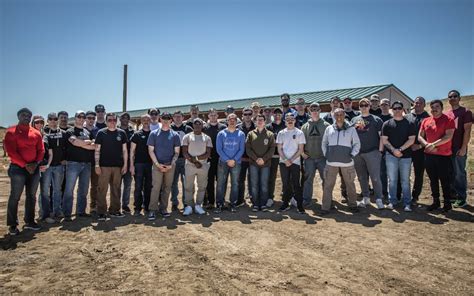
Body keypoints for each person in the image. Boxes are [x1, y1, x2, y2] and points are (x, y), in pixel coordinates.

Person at [4, 108, 45, 235]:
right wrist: (25, 165)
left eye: (28, 115)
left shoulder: (36, 133)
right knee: (15, 196)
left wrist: (36, 163)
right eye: (23, 115)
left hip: (34, 168)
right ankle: (12, 225)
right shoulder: (11, 132)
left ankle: (30, 221)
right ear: (18, 116)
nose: (26, 117)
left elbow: (41, 150)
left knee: (31, 196)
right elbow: (11, 152)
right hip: (18, 169)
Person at [320, 108, 360, 215]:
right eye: (336, 114)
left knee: (350, 184)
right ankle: (325, 207)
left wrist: (351, 155)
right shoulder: (329, 129)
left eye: (341, 114)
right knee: (328, 185)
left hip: (347, 163)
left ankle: (353, 205)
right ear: (333, 116)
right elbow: (324, 143)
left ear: (344, 115)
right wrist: (326, 154)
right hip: (331, 163)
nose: (339, 116)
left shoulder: (351, 129)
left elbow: (357, 144)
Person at [418, 100, 455, 212]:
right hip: (429, 155)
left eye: (437, 106)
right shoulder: (426, 120)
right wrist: (427, 145)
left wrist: (433, 144)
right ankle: (436, 202)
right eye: (432, 107)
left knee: (445, 180)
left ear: (442, 107)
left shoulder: (449, 120)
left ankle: (447, 204)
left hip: (443, 155)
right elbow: (420, 136)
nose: (434, 109)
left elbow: (448, 136)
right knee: (432, 179)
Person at [381, 101, 416, 212]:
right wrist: (393, 150)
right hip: (391, 156)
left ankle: (407, 203)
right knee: (392, 180)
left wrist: (400, 150)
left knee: (405, 180)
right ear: (392, 109)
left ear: (403, 109)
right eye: (395, 108)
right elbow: (384, 140)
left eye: (399, 108)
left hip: (406, 156)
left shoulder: (410, 123)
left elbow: (412, 140)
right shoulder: (387, 124)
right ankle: (392, 201)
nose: (397, 110)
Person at [351, 98, 385, 209]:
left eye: (366, 105)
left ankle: (378, 199)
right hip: (358, 154)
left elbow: (382, 137)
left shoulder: (377, 120)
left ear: (370, 106)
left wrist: (380, 151)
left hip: (372, 152)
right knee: (362, 177)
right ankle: (366, 198)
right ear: (359, 107)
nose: (364, 107)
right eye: (361, 105)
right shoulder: (354, 120)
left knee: (375, 177)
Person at [94, 113, 128, 220]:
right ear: (106, 121)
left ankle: (115, 210)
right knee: (102, 189)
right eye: (109, 120)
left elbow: (125, 150)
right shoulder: (101, 133)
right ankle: (101, 212)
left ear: (117, 121)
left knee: (116, 188)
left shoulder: (122, 133)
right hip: (104, 166)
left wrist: (125, 165)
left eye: (114, 119)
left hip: (118, 166)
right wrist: (97, 165)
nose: (112, 121)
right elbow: (97, 150)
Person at [147, 112, 181, 220]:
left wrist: (171, 164)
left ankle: (163, 209)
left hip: (170, 166)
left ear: (171, 120)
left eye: (168, 118)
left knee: (167, 188)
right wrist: (157, 164)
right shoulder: (153, 134)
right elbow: (151, 151)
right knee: (156, 188)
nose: (166, 120)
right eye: (164, 118)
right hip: (157, 165)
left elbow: (176, 152)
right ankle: (152, 210)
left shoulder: (175, 135)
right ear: (160, 119)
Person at [63, 111, 96, 221]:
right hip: (73, 164)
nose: (81, 118)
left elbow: (93, 147)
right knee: (69, 189)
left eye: (83, 117)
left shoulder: (87, 131)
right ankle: (67, 213)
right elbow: (75, 142)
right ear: (75, 118)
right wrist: (86, 143)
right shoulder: (69, 131)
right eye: (79, 116)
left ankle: (81, 211)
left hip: (86, 164)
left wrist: (82, 143)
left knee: (83, 189)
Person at [214, 113, 245, 213]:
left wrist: (234, 160)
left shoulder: (241, 134)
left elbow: (241, 149)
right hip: (223, 162)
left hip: (236, 162)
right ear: (227, 121)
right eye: (230, 119)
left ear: (237, 121)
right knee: (221, 183)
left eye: (234, 119)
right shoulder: (221, 134)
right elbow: (219, 149)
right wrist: (227, 160)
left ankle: (233, 204)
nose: (232, 121)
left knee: (235, 184)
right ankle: (219, 204)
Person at [446, 90, 472, 208]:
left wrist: (463, 147)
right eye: (450, 97)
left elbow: (467, 130)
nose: (453, 98)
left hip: (458, 147)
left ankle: (461, 198)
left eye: (455, 96)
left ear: (459, 98)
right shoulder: (447, 114)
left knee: (459, 173)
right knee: (450, 173)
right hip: (447, 148)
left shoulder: (465, 112)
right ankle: (452, 196)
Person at [181, 118, 213, 216]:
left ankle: (199, 205)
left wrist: (197, 159)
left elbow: (208, 153)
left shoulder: (207, 138)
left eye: (199, 124)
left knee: (202, 186)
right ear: (193, 125)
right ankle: (189, 206)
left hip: (203, 165)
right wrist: (194, 162)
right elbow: (185, 152)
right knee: (188, 187)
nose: (197, 125)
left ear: (202, 126)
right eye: (195, 124)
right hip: (190, 165)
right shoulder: (187, 137)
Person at [276, 112, 306, 214]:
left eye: (291, 119)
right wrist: (285, 160)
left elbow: (301, 149)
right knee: (285, 184)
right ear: (285, 121)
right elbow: (279, 149)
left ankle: (299, 205)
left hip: (295, 162)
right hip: (283, 162)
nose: (290, 121)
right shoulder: (281, 133)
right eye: (287, 119)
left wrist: (291, 160)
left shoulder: (299, 133)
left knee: (296, 184)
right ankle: (285, 203)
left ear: (295, 121)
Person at [301, 103, 329, 207]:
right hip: (309, 158)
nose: (314, 111)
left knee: (326, 180)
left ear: (320, 110)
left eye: (316, 109)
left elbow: (329, 142)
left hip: (322, 158)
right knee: (308, 180)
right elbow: (301, 142)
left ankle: (327, 200)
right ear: (309, 111)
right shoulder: (305, 126)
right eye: (312, 109)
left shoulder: (326, 125)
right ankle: (307, 200)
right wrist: (302, 153)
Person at [40, 112, 67, 223]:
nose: (53, 121)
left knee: (57, 190)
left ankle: (57, 211)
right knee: (45, 191)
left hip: (59, 166)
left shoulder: (63, 133)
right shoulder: (43, 133)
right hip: (46, 167)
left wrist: (65, 158)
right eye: (50, 119)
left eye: (55, 119)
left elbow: (67, 147)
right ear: (48, 120)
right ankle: (45, 213)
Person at [246, 114, 275, 211]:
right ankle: (255, 204)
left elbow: (272, 149)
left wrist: (264, 159)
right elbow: (248, 148)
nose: (260, 121)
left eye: (261, 120)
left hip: (266, 164)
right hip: (253, 164)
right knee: (254, 184)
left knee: (264, 184)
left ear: (265, 121)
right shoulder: (251, 134)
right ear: (255, 122)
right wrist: (256, 159)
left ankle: (263, 204)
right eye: (258, 120)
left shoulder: (270, 134)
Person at [405, 97, 429, 203]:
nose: (418, 104)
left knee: (419, 174)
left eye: (420, 103)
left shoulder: (428, 118)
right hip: (407, 149)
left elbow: (430, 136)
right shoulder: (406, 117)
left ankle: (415, 196)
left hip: (420, 150)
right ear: (413, 104)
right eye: (416, 102)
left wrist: (419, 146)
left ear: (424, 104)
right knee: (404, 173)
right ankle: (403, 194)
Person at [202, 108, 226, 209]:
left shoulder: (223, 127)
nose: (213, 117)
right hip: (209, 158)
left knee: (221, 181)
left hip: (221, 158)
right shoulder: (204, 128)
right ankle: (211, 202)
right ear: (208, 116)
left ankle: (221, 201)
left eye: (215, 115)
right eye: (211, 115)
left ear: (217, 116)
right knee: (210, 181)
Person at [130, 114, 153, 216]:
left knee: (148, 187)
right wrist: (131, 165)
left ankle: (147, 207)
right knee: (138, 186)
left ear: (150, 121)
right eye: (144, 119)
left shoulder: (154, 134)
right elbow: (132, 151)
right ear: (141, 121)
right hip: (138, 164)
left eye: (148, 119)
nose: (146, 121)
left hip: (150, 164)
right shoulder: (136, 134)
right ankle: (137, 207)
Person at [170, 110, 193, 211]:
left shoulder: (188, 129)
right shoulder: (170, 128)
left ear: (183, 118)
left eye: (179, 116)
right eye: (175, 116)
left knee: (186, 182)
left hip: (185, 159)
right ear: (173, 118)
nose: (178, 118)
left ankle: (186, 202)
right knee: (173, 182)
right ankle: (174, 203)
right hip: (173, 159)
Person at [265, 107, 285, 207]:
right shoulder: (268, 126)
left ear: (282, 115)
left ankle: (287, 197)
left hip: (285, 156)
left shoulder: (286, 125)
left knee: (286, 177)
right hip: (272, 156)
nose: (277, 116)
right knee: (271, 178)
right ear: (273, 115)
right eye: (276, 114)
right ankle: (269, 197)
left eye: (279, 114)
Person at [236, 107, 256, 207]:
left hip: (253, 159)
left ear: (252, 115)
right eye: (245, 114)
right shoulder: (237, 128)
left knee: (252, 180)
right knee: (240, 180)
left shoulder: (256, 127)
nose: (247, 116)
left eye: (249, 114)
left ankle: (252, 198)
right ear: (242, 116)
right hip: (241, 159)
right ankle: (240, 199)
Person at [84, 110, 100, 214]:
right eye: (89, 118)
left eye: (93, 118)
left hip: (95, 162)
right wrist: (91, 143)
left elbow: (98, 146)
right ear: (86, 118)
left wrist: (87, 144)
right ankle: (81, 208)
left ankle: (93, 206)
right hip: (83, 162)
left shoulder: (98, 130)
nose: (91, 120)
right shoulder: (82, 129)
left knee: (95, 186)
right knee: (83, 187)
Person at [118, 112, 134, 213]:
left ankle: (125, 204)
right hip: (117, 161)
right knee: (116, 185)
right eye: (123, 117)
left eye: (127, 118)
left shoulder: (132, 131)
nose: (125, 119)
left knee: (127, 185)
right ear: (120, 119)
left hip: (128, 161)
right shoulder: (116, 130)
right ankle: (116, 204)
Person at [379, 98, 393, 199]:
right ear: (380, 106)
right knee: (382, 172)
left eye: (386, 104)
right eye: (382, 104)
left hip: (392, 149)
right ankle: (384, 192)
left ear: (389, 105)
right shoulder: (378, 119)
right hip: (381, 150)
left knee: (392, 173)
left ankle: (394, 193)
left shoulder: (393, 117)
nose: (384, 106)